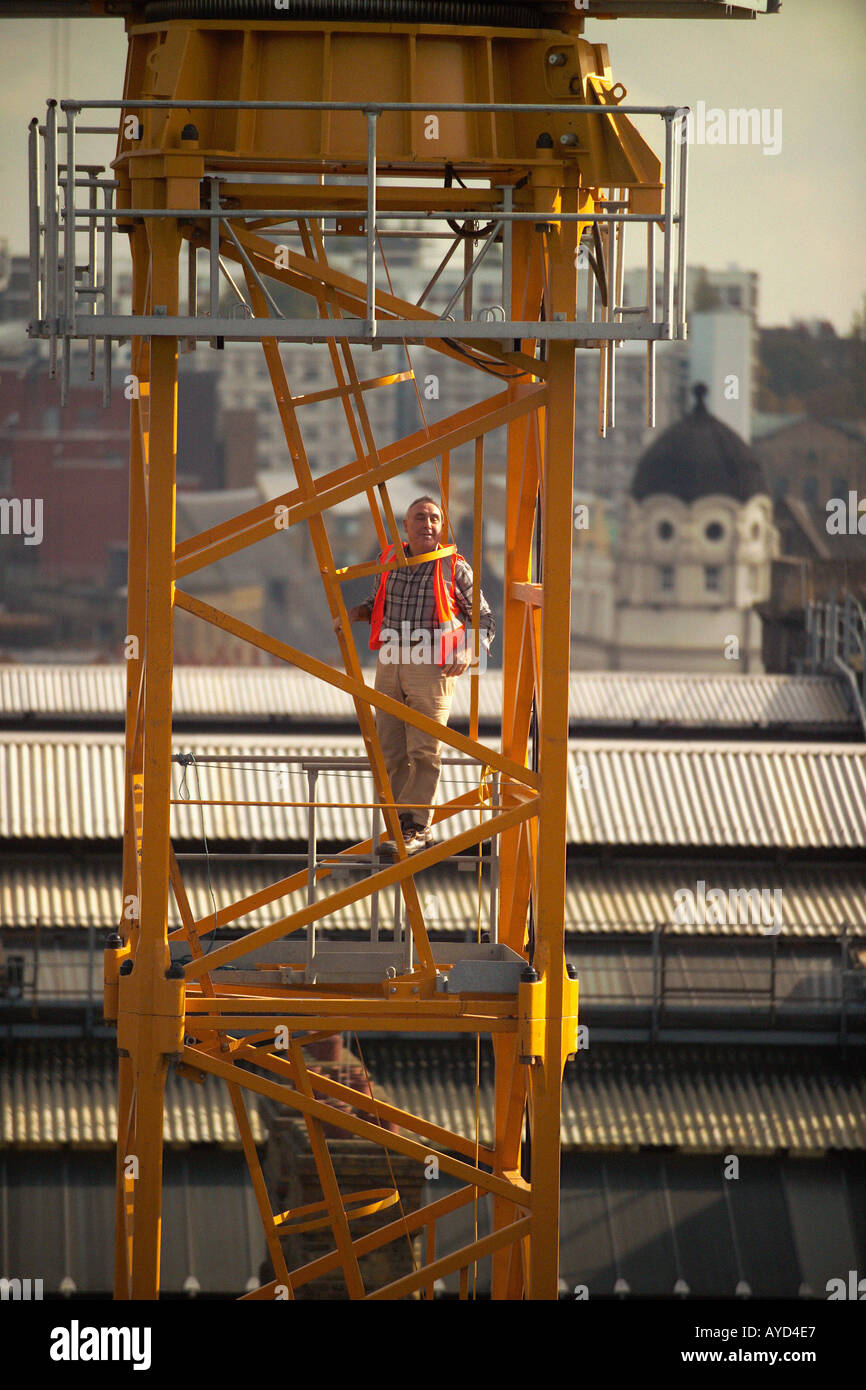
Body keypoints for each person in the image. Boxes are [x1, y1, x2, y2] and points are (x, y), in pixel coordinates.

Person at [333, 496, 494, 854]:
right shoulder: (389, 560)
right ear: (405, 527)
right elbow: (378, 604)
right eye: (420, 517)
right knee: (391, 747)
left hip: (431, 665)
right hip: (391, 661)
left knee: (424, 749)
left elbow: (484, 618)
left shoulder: (454, 567)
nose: (428, 524)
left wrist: (468, 649)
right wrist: (354, 613)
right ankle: (400, 821)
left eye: (435, 518)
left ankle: (418, 826)